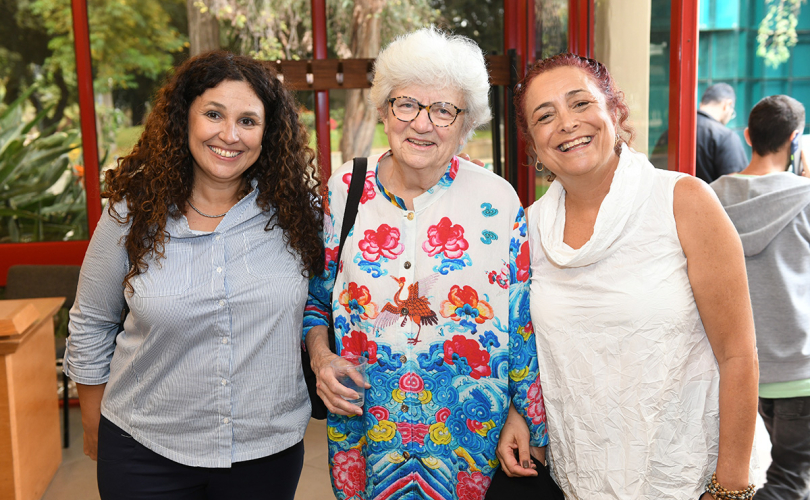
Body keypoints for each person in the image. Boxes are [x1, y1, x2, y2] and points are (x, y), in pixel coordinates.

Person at [496, 53, 759, 499]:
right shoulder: (529, 228)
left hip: (689, 478)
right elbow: (534, 351)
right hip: (580, 477)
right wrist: (518, 414)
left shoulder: (683, 201)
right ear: (533, 145)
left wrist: (729, 486)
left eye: (580, 103)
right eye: (545, 116)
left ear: (614, 112)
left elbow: (739, 355)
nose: (566, 123)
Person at [303, 27, 549, 500]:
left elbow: (521, 324)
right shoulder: (344, 189)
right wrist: (320, 356)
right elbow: (315, 298)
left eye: (443, 110)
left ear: (465, 122)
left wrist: (524, 414)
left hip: (468, 435)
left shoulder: (497, 201)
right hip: (365, 428)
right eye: (407, 104)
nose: (422, 123)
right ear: (383, 109)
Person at [64, 51, 323, 499]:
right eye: (213, 114)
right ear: (183, 118)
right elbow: (90, 323)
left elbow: (331, 301)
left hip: (266, 452)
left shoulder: (300, 218)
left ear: (269, 132)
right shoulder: (130, 217)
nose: (229, 135)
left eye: (248, 121)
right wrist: (94, 426)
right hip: (144, 449)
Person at [710, 95, 810, 500]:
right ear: (795, 138)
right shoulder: (805, 198)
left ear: (748, 135)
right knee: (789, 480)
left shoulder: (711, 196)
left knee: (742, 475)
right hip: (797, 366)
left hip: (732, 369)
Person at [696, 82, 748, 182]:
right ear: (727, 105)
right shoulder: (725, 136)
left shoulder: (675, 131)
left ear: (701, 104)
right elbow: (736, 184)